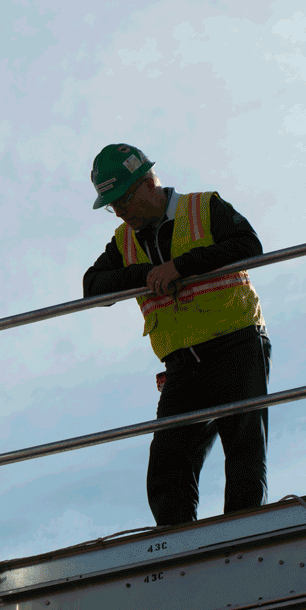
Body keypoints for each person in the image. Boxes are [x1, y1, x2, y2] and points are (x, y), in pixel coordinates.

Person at [82, 144, 271, 527]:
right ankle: (179, 544)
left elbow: (249, 246)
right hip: (183, 364)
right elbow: (92, 287)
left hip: (235, 342)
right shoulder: (124, 241)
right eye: (112, 206)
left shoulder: (203, 207)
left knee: (243, 450)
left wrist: (180, 267)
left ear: (149, 184)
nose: (120, 212)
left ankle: (245, 536)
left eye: (123, 200)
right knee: (168, 462)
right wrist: (145, 275)